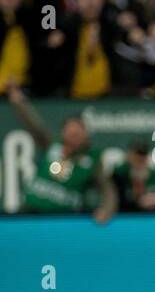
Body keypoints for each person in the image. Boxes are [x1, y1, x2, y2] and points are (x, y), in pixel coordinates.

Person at [6, 81, 116, 222]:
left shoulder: (92, 160)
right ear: (63, 132)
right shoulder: (51, 145)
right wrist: (18, 102)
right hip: (30, 213)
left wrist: (106, 210)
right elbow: (33, 125)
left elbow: (107, 190)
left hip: (64, 219)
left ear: (86, 136)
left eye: (78, 132)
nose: (73, 135)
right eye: (70, 131)